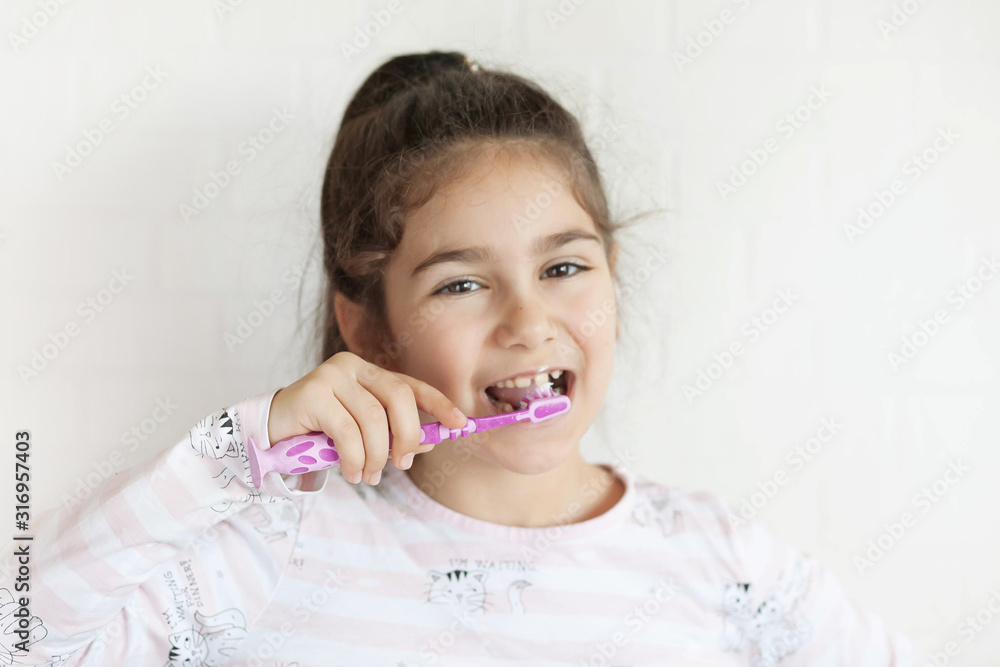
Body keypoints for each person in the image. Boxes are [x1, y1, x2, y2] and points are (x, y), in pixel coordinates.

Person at [2, 51, 929, 666]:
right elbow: (22, 631)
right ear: (366, 328)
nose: (530, 321)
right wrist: (239, 450)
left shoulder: (720, 564)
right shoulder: (276, 548)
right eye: (460, 284)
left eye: (564, 265)